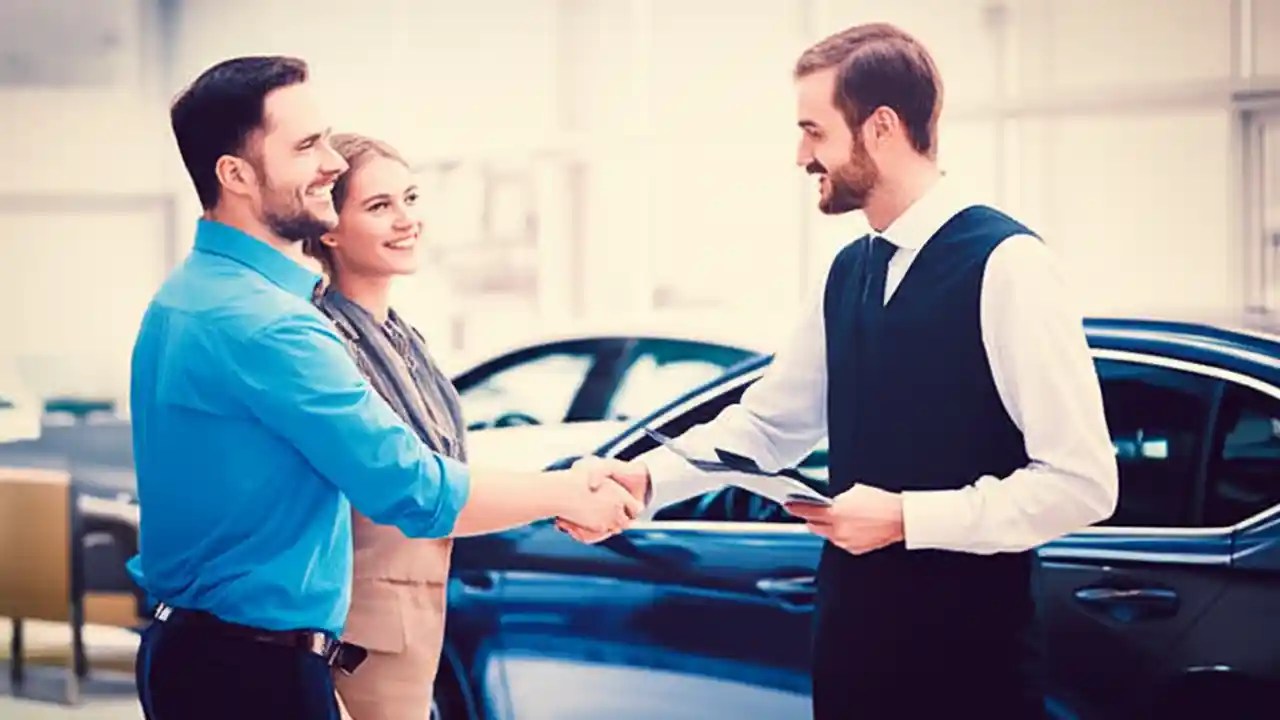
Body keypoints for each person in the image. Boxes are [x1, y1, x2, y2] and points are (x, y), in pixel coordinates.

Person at [562, 22, 1118, 719]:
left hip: (970, 666)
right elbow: (768, 426)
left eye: (814, 131)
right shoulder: (848, 270)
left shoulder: (1010, 265)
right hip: (853, 652)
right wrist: (647, 479)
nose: (802, 156)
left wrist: (907, 518)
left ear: (881, 127)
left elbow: (1083, 483)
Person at [130, 56, 642, 720]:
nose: (331, 163)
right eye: (306, 146)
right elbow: (413, 489)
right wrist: (567, 492)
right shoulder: (269, 324)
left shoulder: (187, 295)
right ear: (236, 175)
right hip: (249, 672)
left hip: (199, 655)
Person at [298, 132, 469, 718]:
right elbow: (399, 477)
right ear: (329, 228)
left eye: (410, 199)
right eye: (379, 206)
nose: (406, 220)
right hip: (366, 624)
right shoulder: (324, 339)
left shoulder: (401, 336)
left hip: (415, 611)